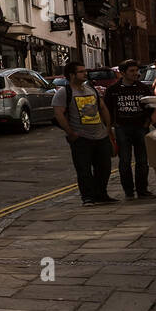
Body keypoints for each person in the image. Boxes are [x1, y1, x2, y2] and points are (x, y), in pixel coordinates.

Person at [53, 60, 117, 206]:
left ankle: (101, 194)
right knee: (84, 169)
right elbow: (59, 114)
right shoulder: (64, 92)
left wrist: (107, 127)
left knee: (104, 168)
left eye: (85, 71)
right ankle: (87, 197)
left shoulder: (91, 89)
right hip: (81, 137)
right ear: (72, 75)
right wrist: (70, 132)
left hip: (100, 135)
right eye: (81, 72)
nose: (85, 74)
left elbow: (102, 108)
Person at [105, 59, 156, 200]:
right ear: (122, 73)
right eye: (132, 71)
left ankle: (142, 190)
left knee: (142, 160)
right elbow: (107, 110)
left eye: (137, 70)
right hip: (122, 128)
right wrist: (110, 128)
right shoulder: (113, 90)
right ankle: (128, 191)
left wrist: (147, 122)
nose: (136, 73)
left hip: (140, 127)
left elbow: (152, 106)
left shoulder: (143, 88)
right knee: (125, 161)